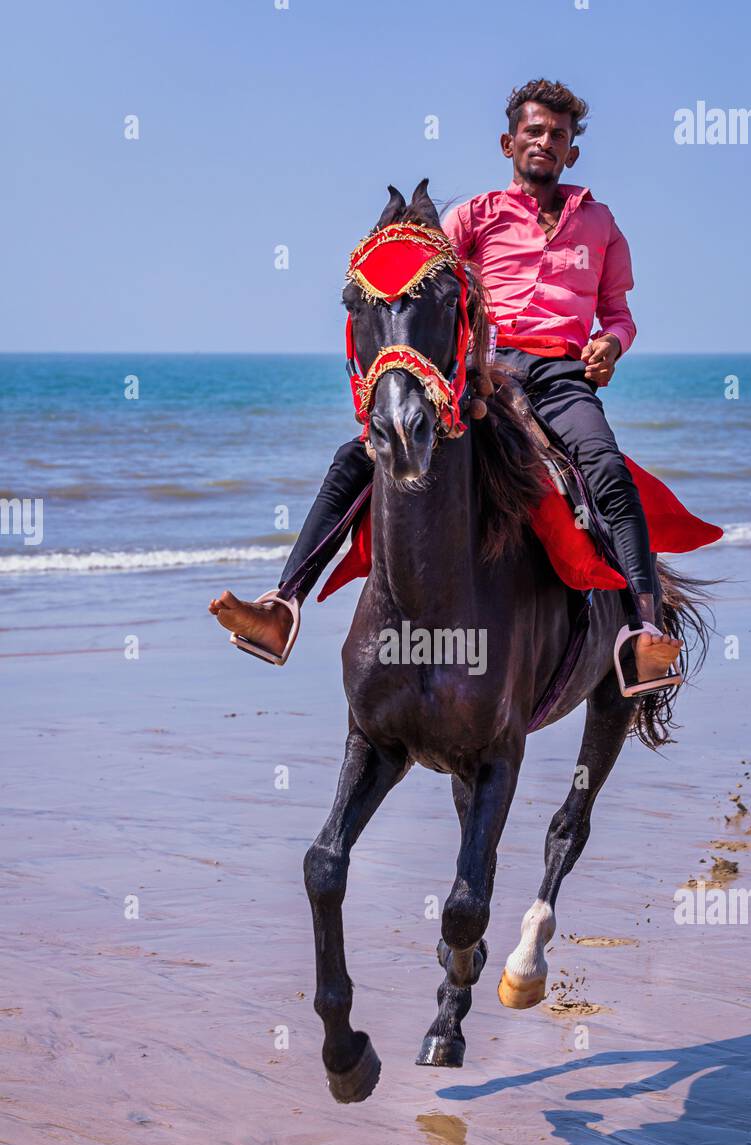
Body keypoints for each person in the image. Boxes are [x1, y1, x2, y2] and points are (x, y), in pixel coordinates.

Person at [210, 77, 682, 692]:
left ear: (572, 152)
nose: (544, 141)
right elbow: (429, 286)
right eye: (533, 131)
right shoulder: (473, 216)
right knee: (359, 456)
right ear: (508, 142)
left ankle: (639, 637)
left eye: (558, 135)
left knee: (606, 468)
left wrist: (611, 343)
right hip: (485, 371)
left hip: (563, 378)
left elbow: (618, 311)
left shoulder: (599, 221)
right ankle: (281, 607)